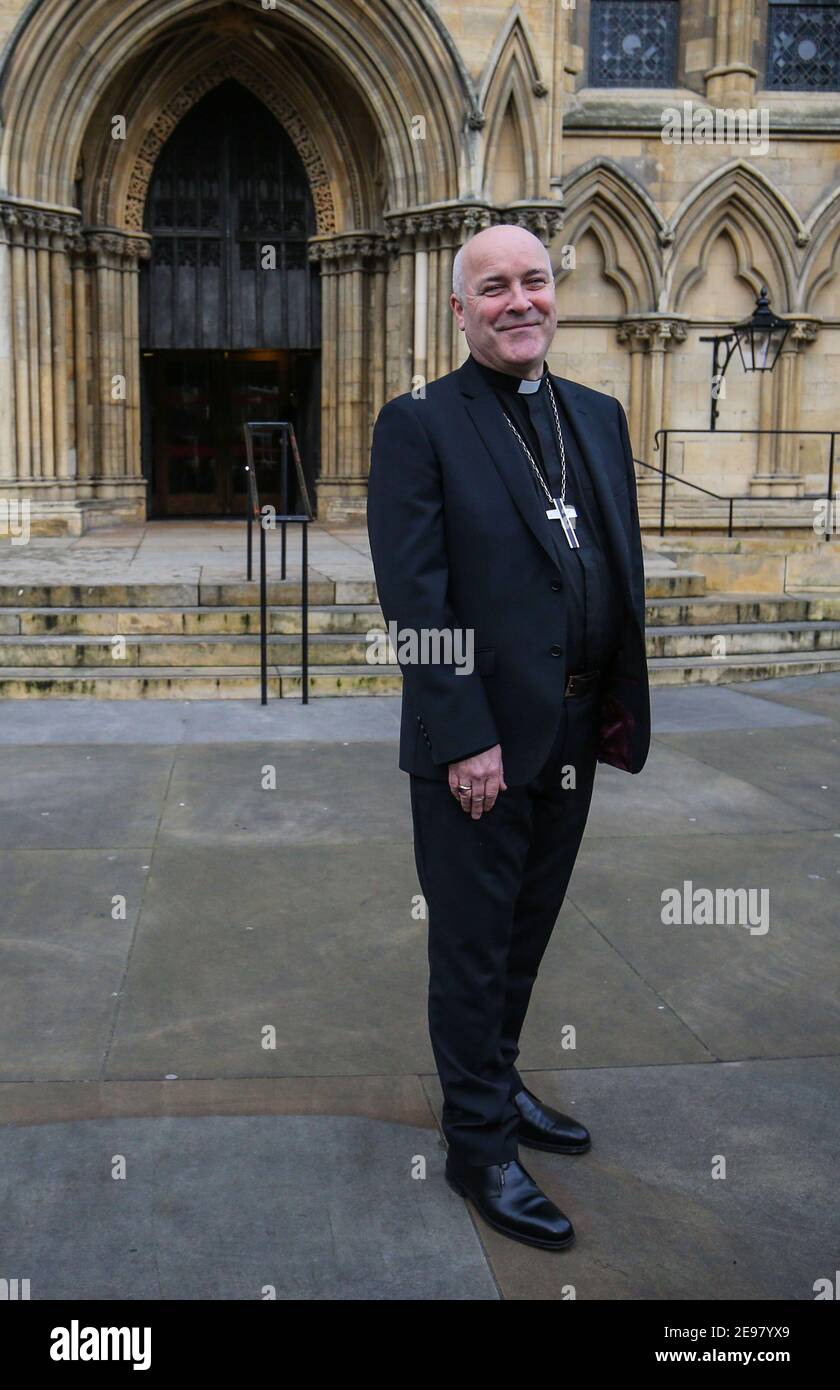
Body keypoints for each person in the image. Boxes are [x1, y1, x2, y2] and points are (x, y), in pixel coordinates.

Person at [366, 223, 650, 1251]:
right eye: (493, 288)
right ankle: (478, 1144)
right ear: (460, 308)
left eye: (534, 281)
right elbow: (416, 594)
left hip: (576, 725)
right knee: (474, 946)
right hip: (477, 745)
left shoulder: (598, 416)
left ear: (554, 293)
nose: (518, 300)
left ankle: (499, 1081)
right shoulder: (421, 423)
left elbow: (606, 558)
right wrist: (464, 735)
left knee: (525, 935)